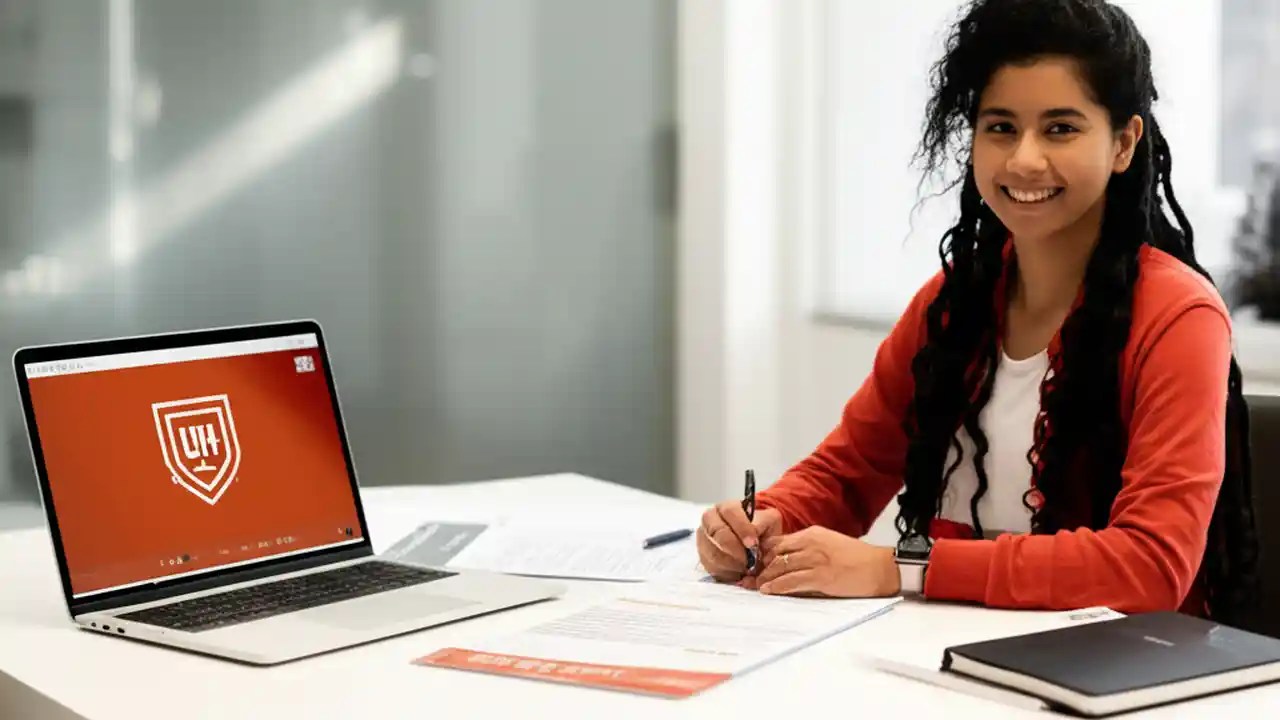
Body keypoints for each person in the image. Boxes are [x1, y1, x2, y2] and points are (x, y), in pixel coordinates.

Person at [697, 0, 1260, 623]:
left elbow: (1150, 567)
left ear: (1125, 142)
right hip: (950, 652)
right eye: (1000, 127)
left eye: (1061, 128)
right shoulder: (952, 301)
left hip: (1112, 676)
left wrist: (904, 567)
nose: (1023, 159)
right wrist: (759, 525)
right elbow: (848, 473)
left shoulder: (1179, 318)